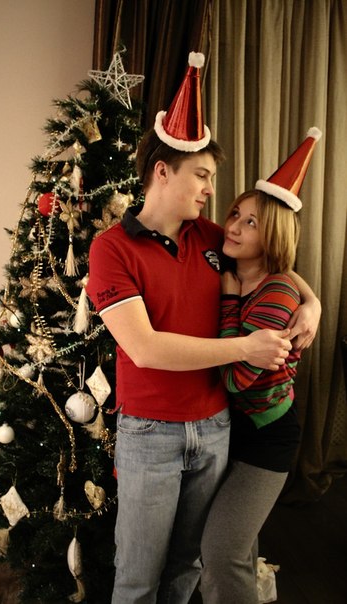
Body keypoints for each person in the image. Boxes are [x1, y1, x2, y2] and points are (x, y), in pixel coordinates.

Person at [87, 52, 320, 604]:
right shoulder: (111, 249)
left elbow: (273, 257)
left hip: (215, 429)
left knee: (186, 569)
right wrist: (244, 347)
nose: (211, 190)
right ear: (163, 171)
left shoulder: (211, 235)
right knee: (138, 578)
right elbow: (145, 348)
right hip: (150, 433)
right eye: (203, 176)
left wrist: (311, 303)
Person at [200, 128, 322, 604]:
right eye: (235, 214)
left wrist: (230, 301)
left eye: (251, 223)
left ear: (271, 234)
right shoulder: (229, 265)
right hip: (227, 429)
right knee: (239, 542)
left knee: (221, 552)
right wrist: (314, 299)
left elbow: (236, 377)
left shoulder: (276, 293)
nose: (233, 226)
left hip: (266, 435)